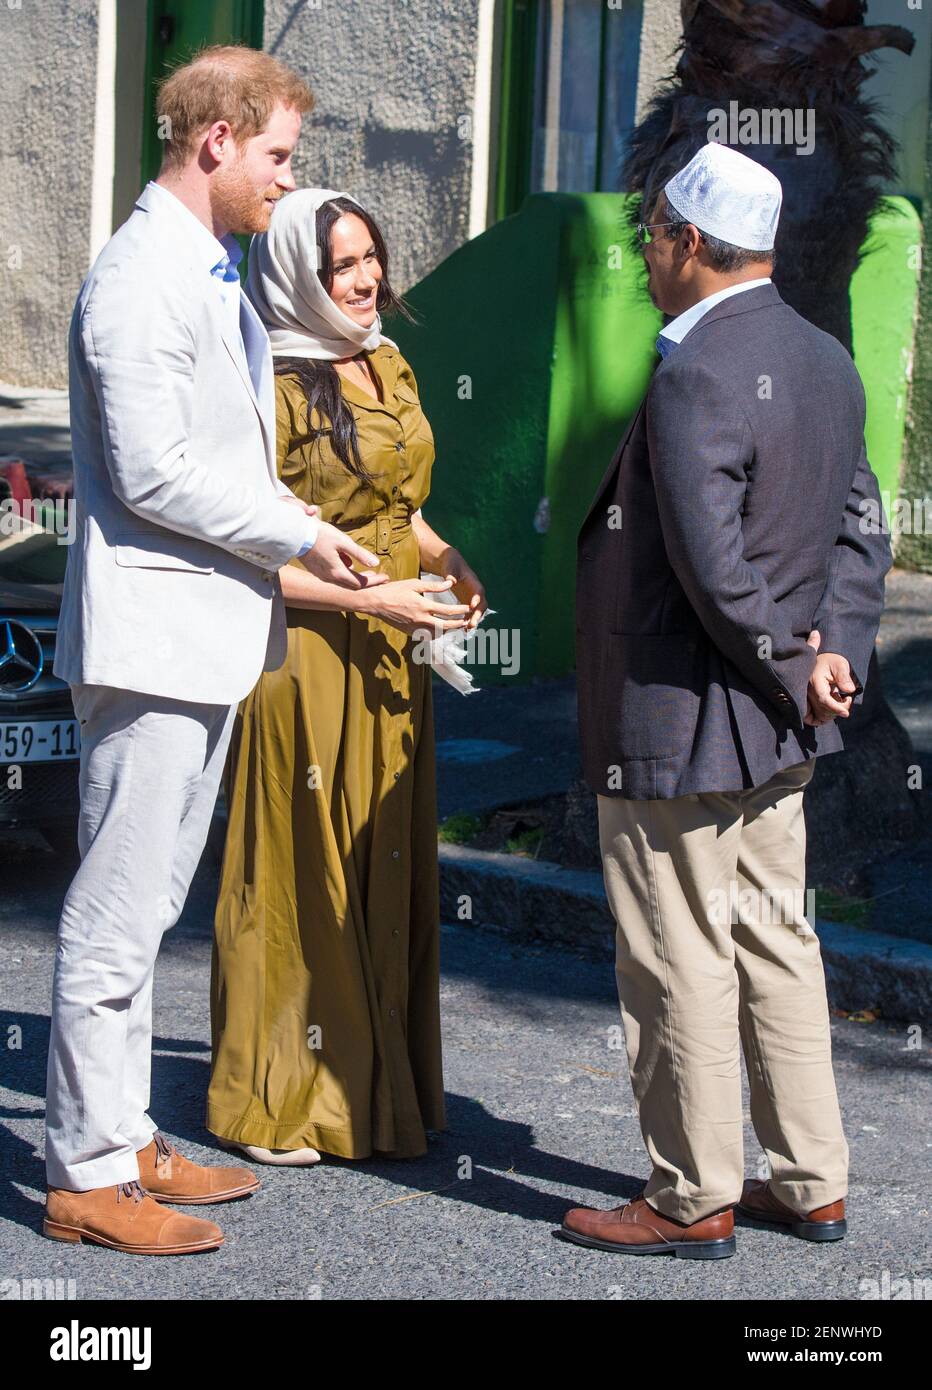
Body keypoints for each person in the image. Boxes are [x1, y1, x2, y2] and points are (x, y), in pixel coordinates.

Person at [44, 49, 387, 1257]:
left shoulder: (199, 265)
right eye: (279, 157)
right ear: (216, 144)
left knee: (145, 909)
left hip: (196, 637)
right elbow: (150, 472)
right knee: (114, 911)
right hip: (152, 642)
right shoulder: (141, 277)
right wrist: (303, 528)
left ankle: (123, 1132)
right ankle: (85, 1172)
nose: (288, 182)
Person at [564, 142, 891, 1259]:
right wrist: (829, 652)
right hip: (776, 725)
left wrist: (793, 663)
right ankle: (810, 1182)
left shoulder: (695, 370)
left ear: (689, 243)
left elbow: (709, 565)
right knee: (775, 941)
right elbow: (863, 527)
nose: (648, 255)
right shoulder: (822, 357)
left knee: (675, 952)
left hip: (680, 718)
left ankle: (687, 1194)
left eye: (652, 236)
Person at [208, 189, 486, 1164]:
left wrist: (446, 557)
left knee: (383, 863)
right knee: (300, 880)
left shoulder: (386, 358)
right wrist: (377, 602)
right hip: (305, 656)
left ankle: (373, 1090)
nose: (366, 278)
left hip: (391, 650)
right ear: (296, 276)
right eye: (341, 266)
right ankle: (279, 1100)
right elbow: (247, 551)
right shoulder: (264, 382)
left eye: (370, 256)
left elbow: (395, 504)